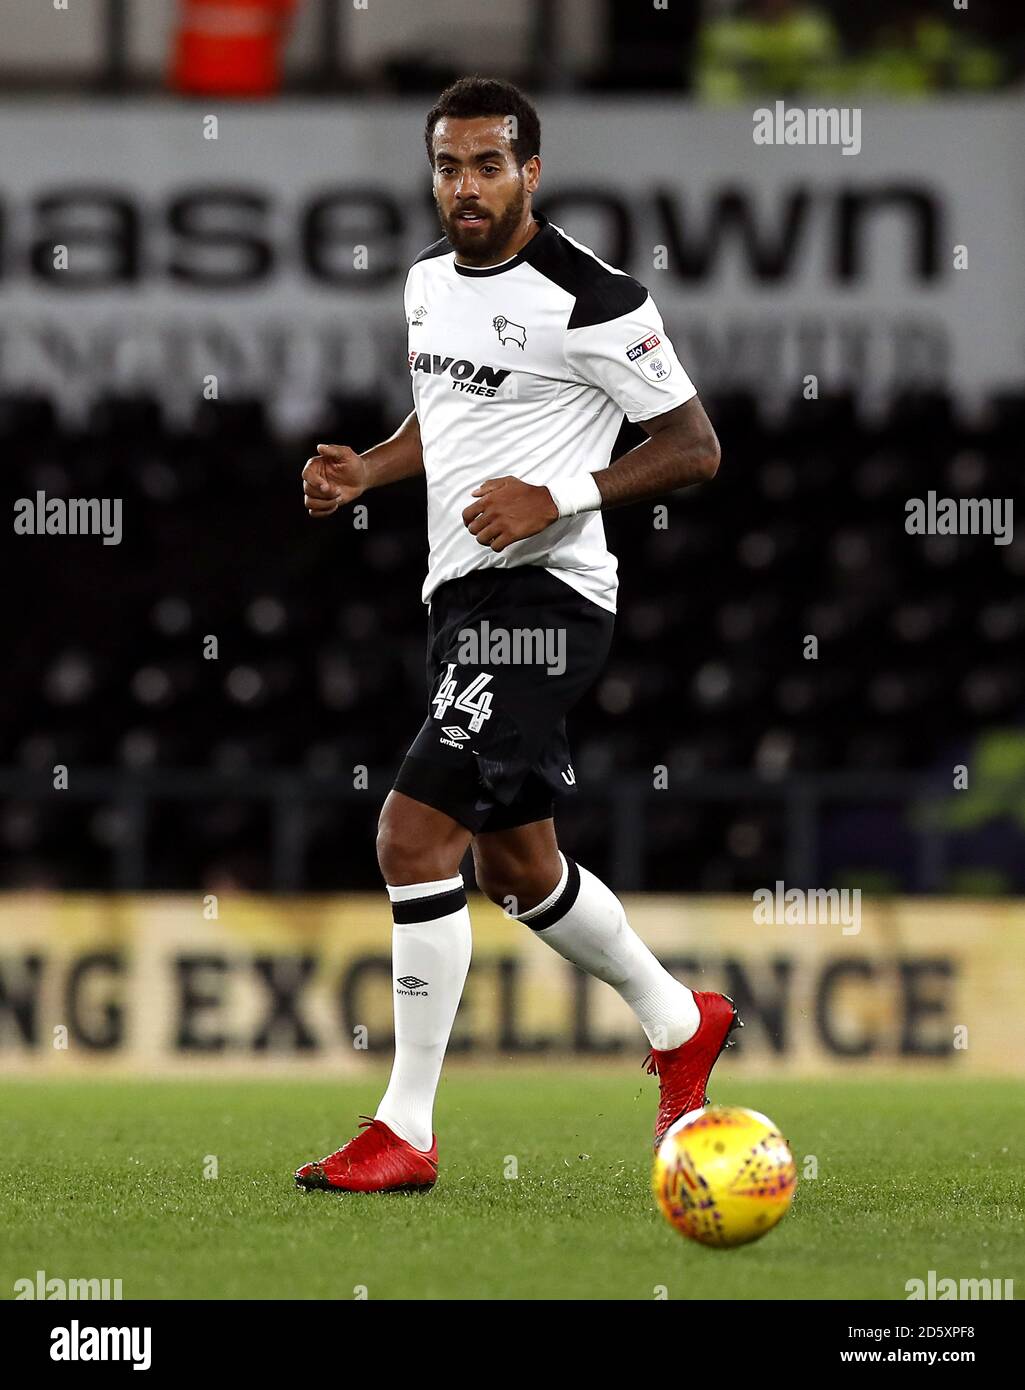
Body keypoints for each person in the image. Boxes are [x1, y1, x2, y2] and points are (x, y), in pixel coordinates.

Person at [295, 77, 738, 1194]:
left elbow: (693, 447)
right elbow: (445, 418)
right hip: (460, 599)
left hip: (545, 604)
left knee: (408, 837)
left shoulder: (592, 296)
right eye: (448, 165)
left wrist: (559, 495)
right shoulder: (425, 284)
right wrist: (368, 469)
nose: (466, 185)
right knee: (515, 862)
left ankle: (405, 1129)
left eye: (489, 164)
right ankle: (681, 1020)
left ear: (530, 170)